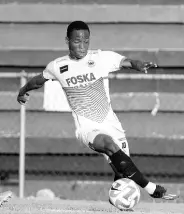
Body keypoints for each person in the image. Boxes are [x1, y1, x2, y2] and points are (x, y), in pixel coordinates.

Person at [17, 20, 177, 201]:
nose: (82, 45)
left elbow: (125, 61)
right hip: (86, 127)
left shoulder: (100, 58)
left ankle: (117, 201)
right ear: (67, 40)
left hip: (111, 123)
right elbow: (39, 80)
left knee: (123, 174)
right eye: (77, 41)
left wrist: (137, 64)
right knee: (109, 145)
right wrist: (23, 91)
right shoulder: (57, 66)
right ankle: (152, 189)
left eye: (86, 41)